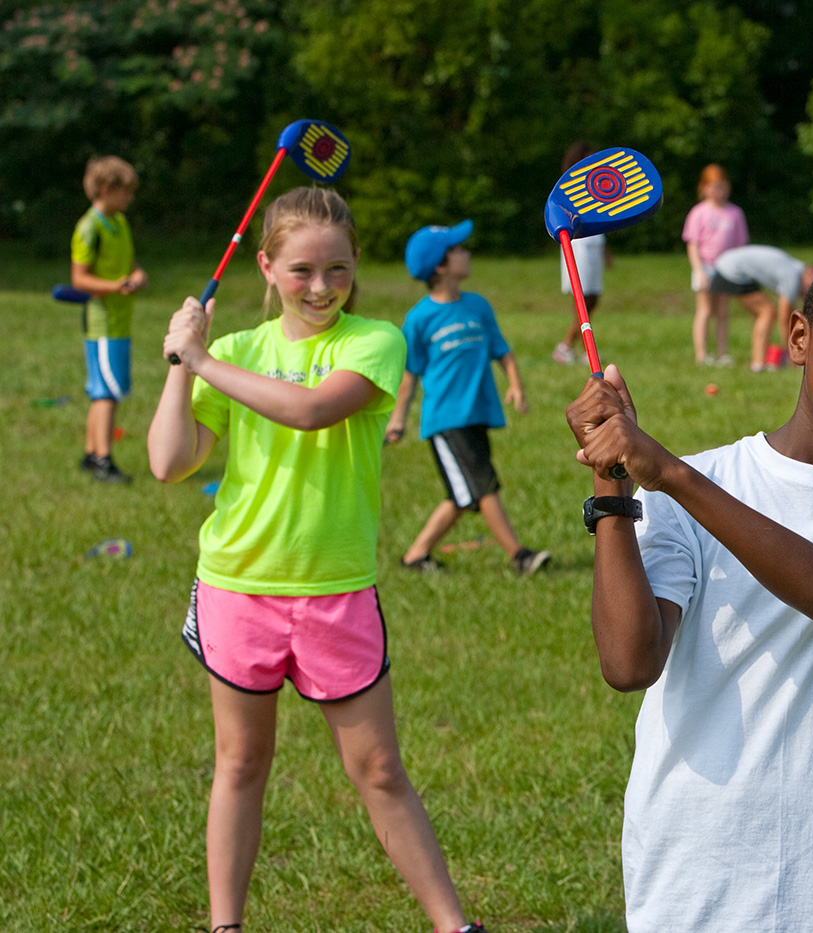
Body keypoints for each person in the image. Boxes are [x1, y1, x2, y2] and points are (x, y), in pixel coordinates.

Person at [566, 242, 813, 932]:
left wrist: (668, 473)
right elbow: (630, 662)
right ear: (798, 337)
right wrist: (614, 482)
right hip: (698, 879)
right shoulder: (686, 488)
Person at [147, 188, 489, 933]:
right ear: (266, 266)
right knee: (240, 764)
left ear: (357, 264)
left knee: (378, 770)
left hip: (334, 591)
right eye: (301, 269)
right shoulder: (235, 351)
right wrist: (183, 360)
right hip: (238, 586)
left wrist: (204, 358)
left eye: (337, 268)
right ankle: (225, 925)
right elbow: (170, 460)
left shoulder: (374, 340)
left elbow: (309, 409)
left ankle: (453, 925)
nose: (322, 286)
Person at [386, 220, 551, 577]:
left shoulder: (477, 306)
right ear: (440, 267)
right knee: (483, 484)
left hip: (477, 413)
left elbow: (502, 351)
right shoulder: (419, 319)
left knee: (464, 495)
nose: (467, 252)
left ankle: (416, 556)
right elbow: (409, 373)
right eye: (458, 249)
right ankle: (519, 555)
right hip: (446, 419)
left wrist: (516, 385)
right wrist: (399, 418)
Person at [71, 155, 148, 483]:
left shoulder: (119, 223)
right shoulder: (89, 227)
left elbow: (130, 264)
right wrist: (114, 286)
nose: (129, 198)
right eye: (125, 192)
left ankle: (91, 454)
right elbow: (79, 279)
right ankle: (104, 461)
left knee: (105, 390)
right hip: (101, 323)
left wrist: (137, 275)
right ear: (105, 189)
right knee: (106, 393)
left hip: (120, 320)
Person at [709, 244, 813, 372]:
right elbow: (784, 319)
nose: (806, 294)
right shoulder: (792, 277)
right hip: (732, 269)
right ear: (807, 278)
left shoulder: (794, 268)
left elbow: (790, 316)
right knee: (766, 312)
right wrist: (792, 352)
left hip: (726, 264)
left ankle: (758, 361)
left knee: (765, 312)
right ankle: (758, 364)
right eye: (809, 289)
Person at [553, 141, 614, 365]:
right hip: (578, 248)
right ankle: (566, 346)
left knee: (592, 299)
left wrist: (606, 251)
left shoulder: (596, 189)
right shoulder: (569, 190)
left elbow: (599, 223)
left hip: (594, 247)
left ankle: (580, 349)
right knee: (582, 300)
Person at [681, 163, 748, 366]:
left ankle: (722, 353)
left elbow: (740, 244)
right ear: (704, 188)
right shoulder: (699, 212)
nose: (717, 191)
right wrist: (699, 270)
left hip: (727, 268)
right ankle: (702, 354)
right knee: (705, 310)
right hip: (705, 267)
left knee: (723, 311)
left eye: (721, 186)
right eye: (713, 186)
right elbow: (692, 244)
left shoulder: (735, 213)